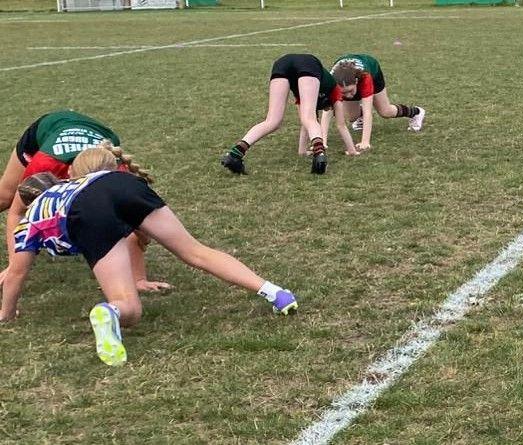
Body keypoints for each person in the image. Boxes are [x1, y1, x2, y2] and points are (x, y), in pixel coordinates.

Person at [0, 148, 298, 366]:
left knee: (130, 309)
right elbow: (135, 234)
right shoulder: (86, 181)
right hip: (123, 186)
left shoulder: (32, 218)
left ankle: (110, 312)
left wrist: (7, 313)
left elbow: (16, 272)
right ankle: (276, 292)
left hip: (86, 213)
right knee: (195, 251)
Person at [1, 113, 166, 290]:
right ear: (70, 174)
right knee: (5, 197)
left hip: (97, 133)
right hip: (50, 127)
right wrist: (14, 267)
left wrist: (138, 279)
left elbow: (133, 227)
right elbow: (17, 212)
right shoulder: (45, 165)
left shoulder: (119, 176)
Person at [221, 54, 347, 175]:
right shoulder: (332, 89)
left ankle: (235, 154)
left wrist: (302, 150)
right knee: (310, 118)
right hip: (309, 64)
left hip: (282, 63)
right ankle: (319, 154)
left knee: (272, 121)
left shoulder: (322, 87)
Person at [324, 54, 426, 155]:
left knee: (385, 112)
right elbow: (327, 111)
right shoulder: (331, 81)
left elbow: (368, 111)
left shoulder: (365, 77)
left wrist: (365, 142)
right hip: (348, 82)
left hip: (373, 72)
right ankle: (360, 116)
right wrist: (323, 141)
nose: (348, 96)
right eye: (343, 93)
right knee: (352, 116)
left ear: (356, 81)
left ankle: (416, 112)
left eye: (350, 91)